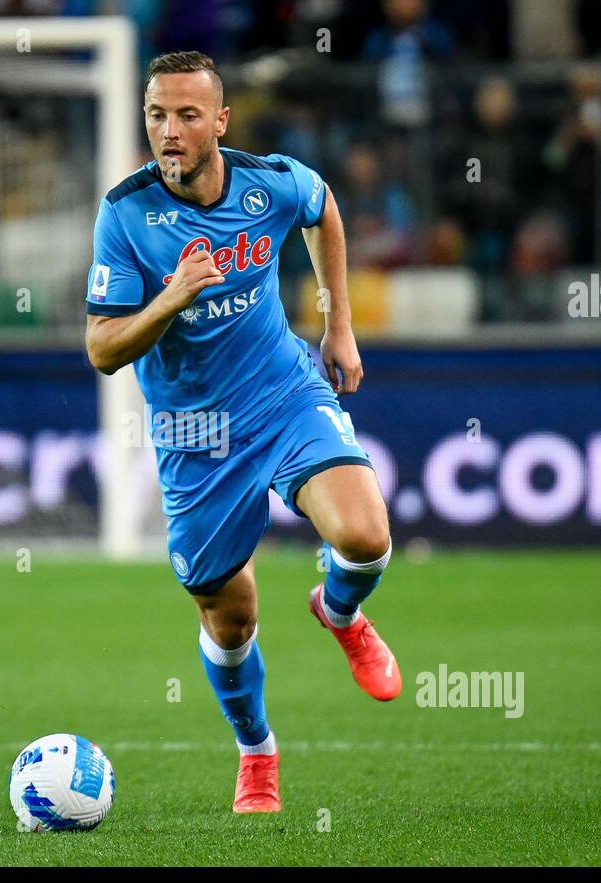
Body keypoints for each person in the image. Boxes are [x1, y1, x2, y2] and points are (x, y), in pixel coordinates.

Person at [84, 52, 399, 815]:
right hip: (195, 430)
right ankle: (256, 751)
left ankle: (341, 611)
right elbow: (102, 349)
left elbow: (323, 208)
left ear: (220, 122)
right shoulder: (125, 216)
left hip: (281, 390)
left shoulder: (268, 183)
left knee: (363, 536)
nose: (169, 130)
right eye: (157, 114)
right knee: (229, 615)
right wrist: (170, 299)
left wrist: (338, 327)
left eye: (188, 115)